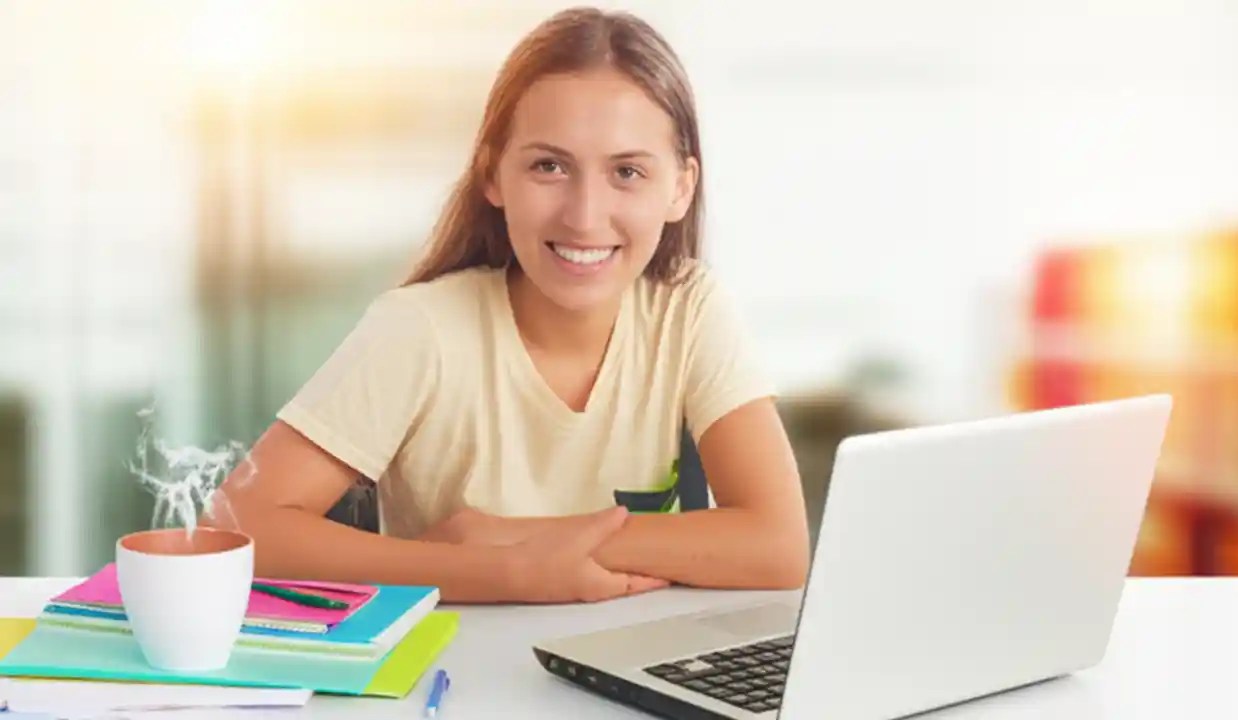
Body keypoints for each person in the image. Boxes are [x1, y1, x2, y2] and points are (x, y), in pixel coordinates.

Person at [209, 6, 809, 604]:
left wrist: (511, 539)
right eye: (549, 166)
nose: (584, 216)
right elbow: (237, 528)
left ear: (680, 187)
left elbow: (778, 545)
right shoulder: (420, 330)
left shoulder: (688, 309)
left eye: (627, 171)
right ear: (492, 173)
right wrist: (506, 573)